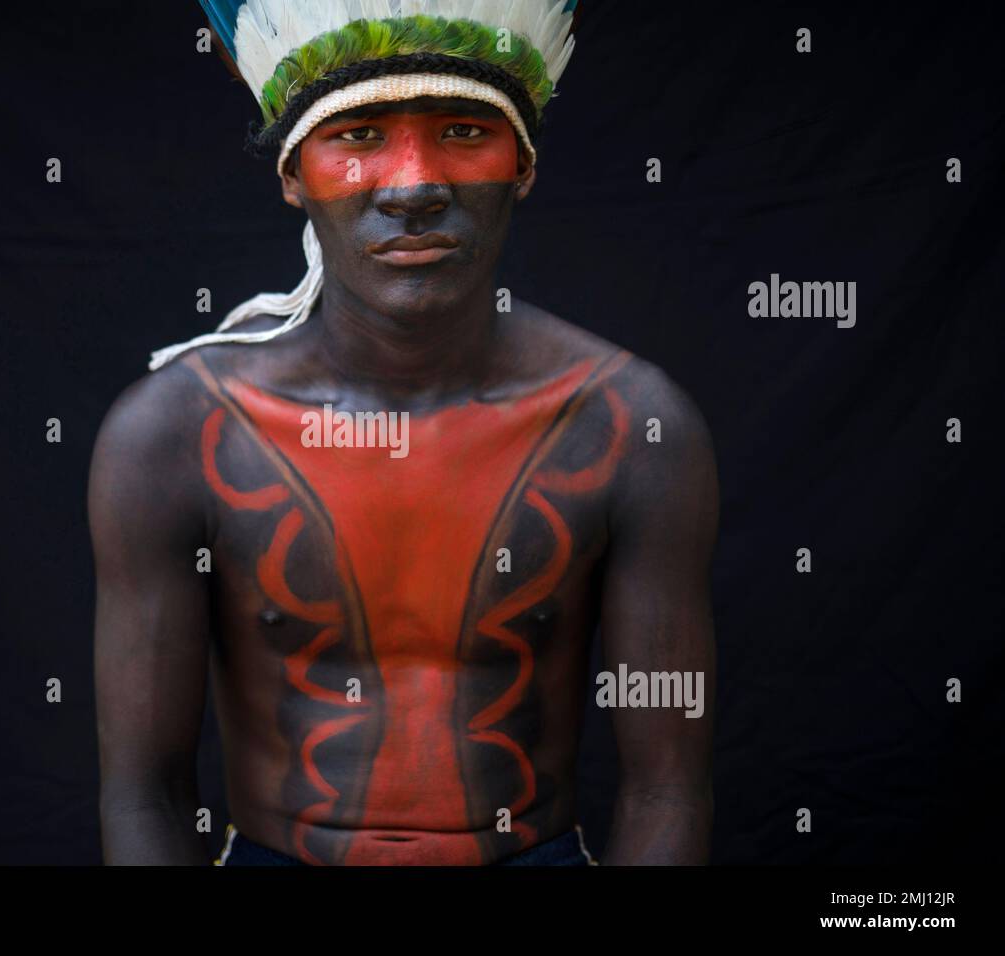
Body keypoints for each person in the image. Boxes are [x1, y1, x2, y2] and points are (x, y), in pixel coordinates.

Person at [90, 0, 718, 865]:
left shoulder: (633, 425)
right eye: (357, 134)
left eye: (463, 129)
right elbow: (142, 797)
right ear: (292, 173)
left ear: (524, 165)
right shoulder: (170, 433)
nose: (414, 183)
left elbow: (668, 788)